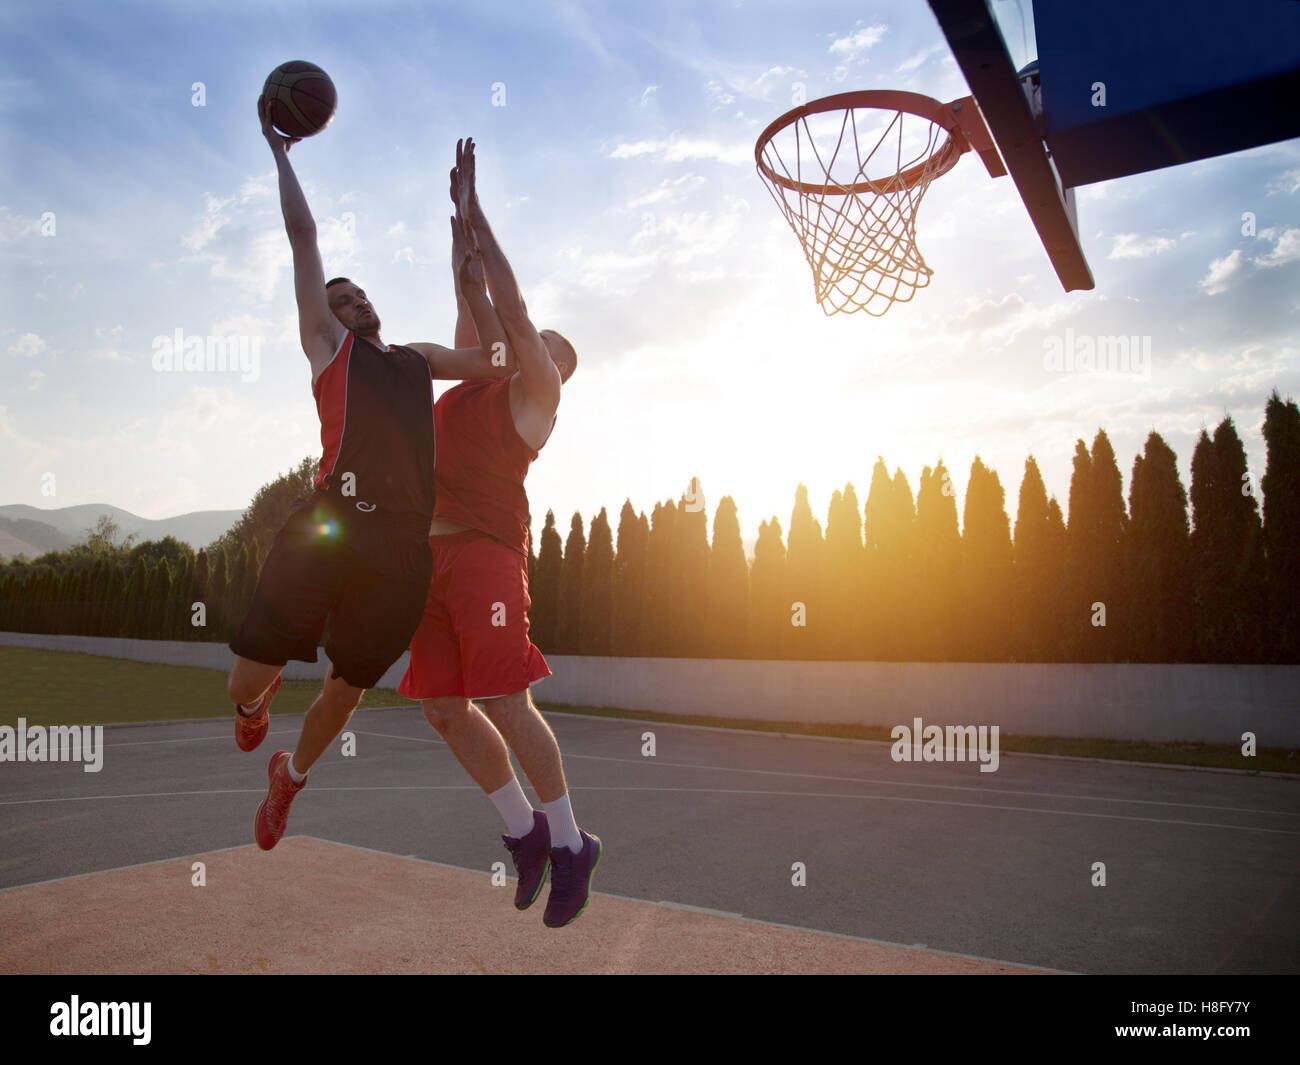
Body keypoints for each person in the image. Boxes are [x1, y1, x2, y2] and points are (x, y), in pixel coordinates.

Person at [227, 102, 513, 853]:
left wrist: (470, 262)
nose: (353, 302)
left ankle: (289, 777)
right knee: (241, 683)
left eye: (358, 296)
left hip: (399, 549)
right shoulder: (328, 350)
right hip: (328, 527)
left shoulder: (414, 358)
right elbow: (304, 238)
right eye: (340, 299)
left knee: (346, 686)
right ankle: (254, 709)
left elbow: (493, 362)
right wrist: (281, 154)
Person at [398, 138, 599, 928]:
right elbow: (476, 297)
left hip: (484, 551)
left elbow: (508, 311)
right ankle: (523, 833)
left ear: (555, 365)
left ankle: (573, 843)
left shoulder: (535, 394)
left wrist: (483, 212)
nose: (528, 339)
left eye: (543, 341)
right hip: (430, 554)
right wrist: (459, 230)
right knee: (444, 708)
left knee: (505, 700)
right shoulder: (482, 369)